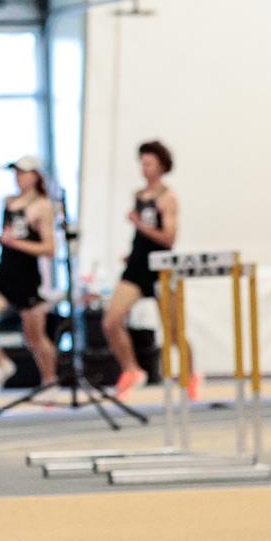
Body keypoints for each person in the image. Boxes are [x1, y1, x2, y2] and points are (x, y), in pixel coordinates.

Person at [104, 139, 197, 400]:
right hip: (137, 266)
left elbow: (168, 238)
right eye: (142, 163)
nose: (144, 169)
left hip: (161, 268)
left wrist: (139, 224)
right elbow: (142, 239)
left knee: (174, 330)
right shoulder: (139, 196)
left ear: (161, 166)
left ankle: (189, 376)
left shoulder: (168, 198)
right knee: (111, 320)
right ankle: (132, 369)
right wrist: (132, 253)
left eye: (149, 164)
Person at [0, 155, 58, 397]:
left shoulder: (42, 206)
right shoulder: (10, 203)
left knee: (35, 337)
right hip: (5, 274)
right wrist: (1, 240)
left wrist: (15, 243)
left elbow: (49, 249)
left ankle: (50, 380)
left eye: (23, 173)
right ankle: (0, 362)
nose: (18, 178)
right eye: (16, 173)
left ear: (35, 176)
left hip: (27, 276)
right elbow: (11, 237)